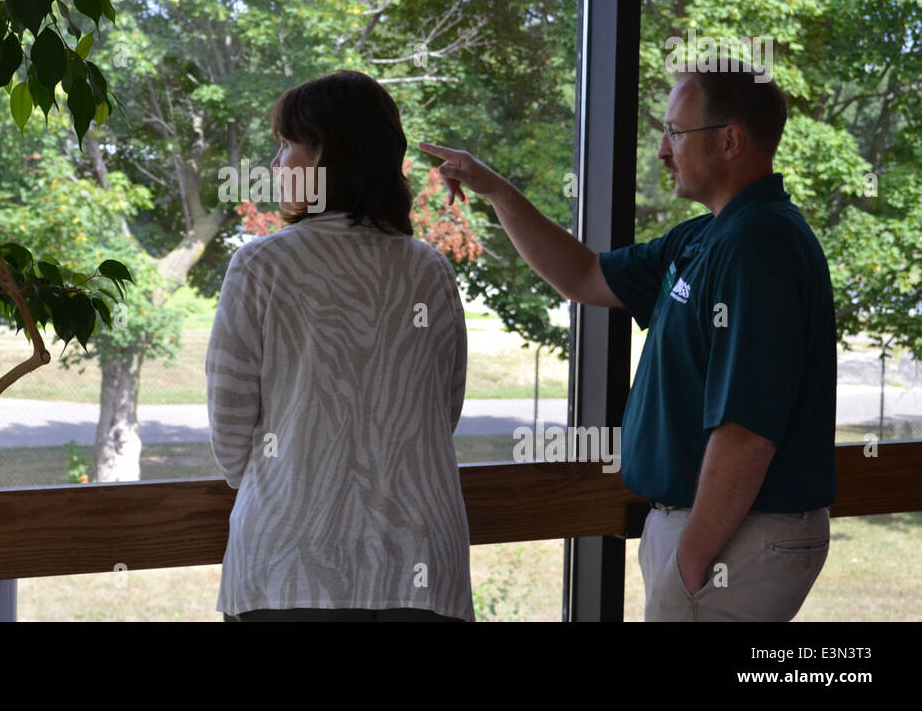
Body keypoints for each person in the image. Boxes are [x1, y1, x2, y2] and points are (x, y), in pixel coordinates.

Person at [420, 64, 835, 621]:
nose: (663, 150)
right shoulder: (707, 235)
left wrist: (689, 563)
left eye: (675, 132)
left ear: (731, 139)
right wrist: (496, 189)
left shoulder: (760, 244)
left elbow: (747, 434)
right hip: (711, 534)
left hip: (734, 540)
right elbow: (584, 275)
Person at [206, 70, 473, 622]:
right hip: (419, 563)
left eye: (287, 145)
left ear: (328, 151)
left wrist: (286, 479)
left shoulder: (260, 265)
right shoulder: (430, 268)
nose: (276, 165)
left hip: (288, 564)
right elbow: (441, 411)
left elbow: (230, 423)